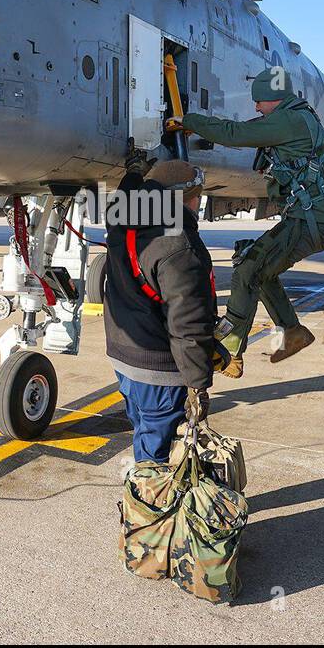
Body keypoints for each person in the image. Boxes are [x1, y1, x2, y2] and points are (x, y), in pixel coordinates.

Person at [174, 66, 324, 378]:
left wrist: (189, 121)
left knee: (246, 269)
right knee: (262, 270)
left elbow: (235, 134)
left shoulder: (289, 121)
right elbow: (246, 127)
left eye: (260, 101)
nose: (256, 107)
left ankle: (229, 349)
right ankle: (292, 332)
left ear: (274, 99)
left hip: (312, 222)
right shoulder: (295, 117)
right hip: (314, 219)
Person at [103, 159, 215, 463]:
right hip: (159, 370)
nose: (198, 203)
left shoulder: (120, 221)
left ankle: (142, 496)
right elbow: (188, 323)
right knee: (156, 456)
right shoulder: (180, 246)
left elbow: (123, 197)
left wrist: (134, 173)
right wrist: (198, 384)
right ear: (184, 198)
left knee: (143, 429)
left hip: (124, 360)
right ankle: (147, 506)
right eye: (197, 196)